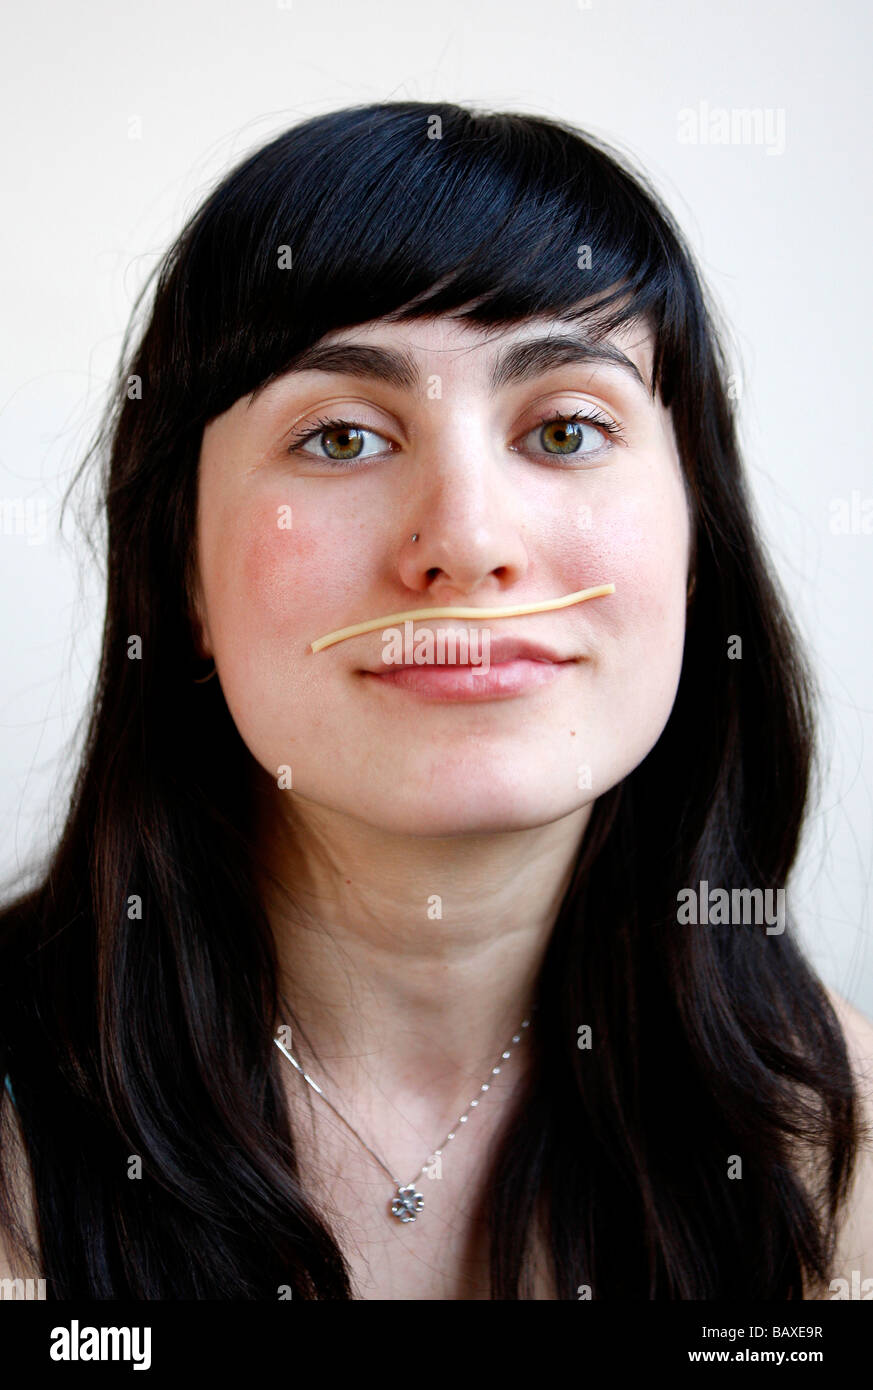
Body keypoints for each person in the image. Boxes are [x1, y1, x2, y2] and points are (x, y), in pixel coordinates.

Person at [1, 100, 870, 1301]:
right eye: (344, 438)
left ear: (697, 542)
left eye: (567, 427)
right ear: (182, 574)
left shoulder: (839, 1144)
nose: (465, 543)